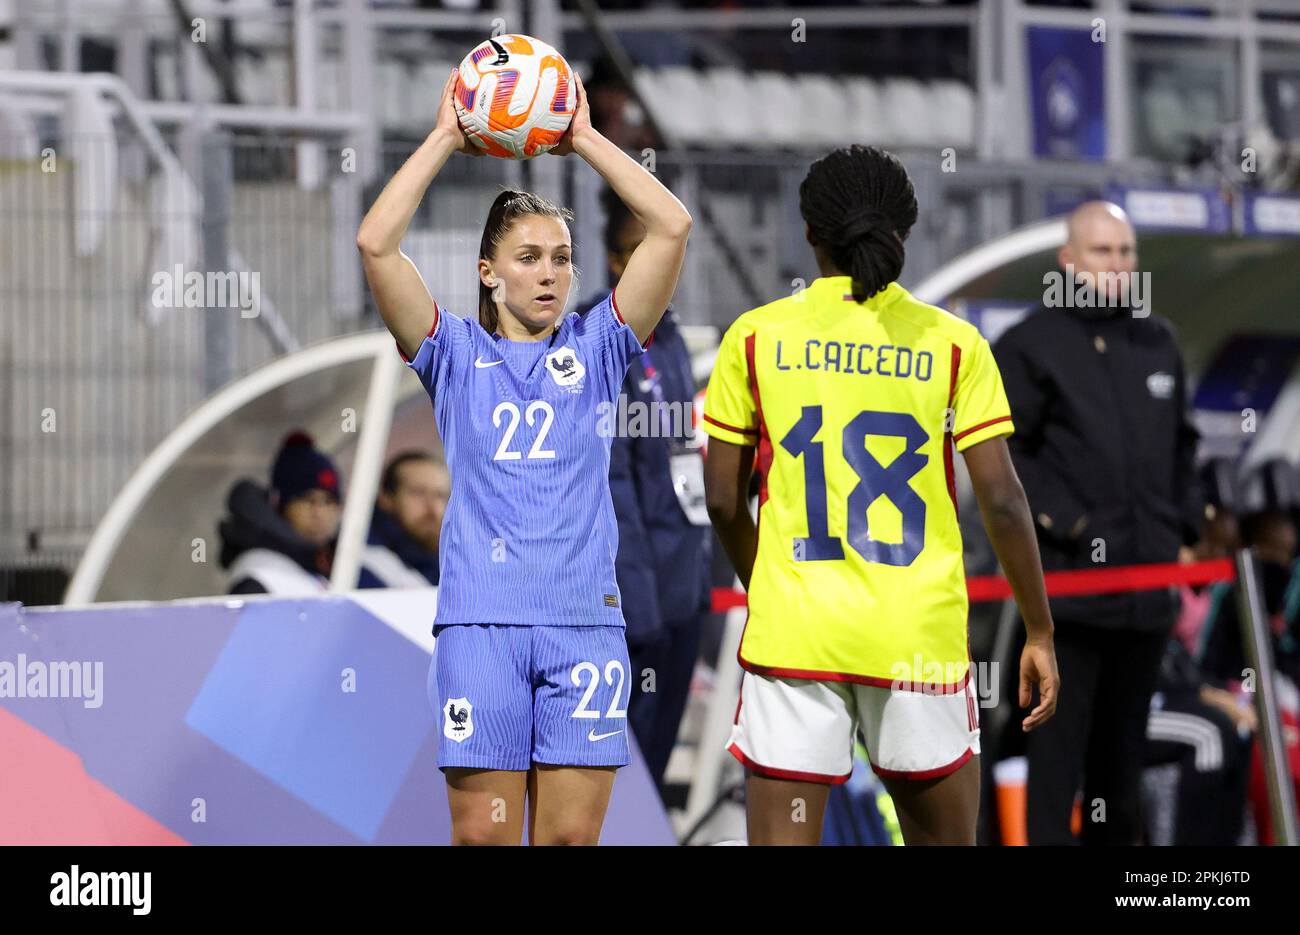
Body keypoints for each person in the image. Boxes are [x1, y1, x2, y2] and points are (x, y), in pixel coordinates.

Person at [356, 66, 692, 845]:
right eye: (528, 257)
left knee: (570, 842)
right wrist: (446, 133)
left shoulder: (601, 344)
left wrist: (581, 138)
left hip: (584, 626)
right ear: (488, 272)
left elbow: (670, 227)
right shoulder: (450, 352)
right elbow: (376, 243)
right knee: (484, 840)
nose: (548, 273)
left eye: (560, 257)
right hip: (482, 627)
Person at [701, 144, 1059, 846]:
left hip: (796, 631)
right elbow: (1005, 502)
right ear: (907, 229)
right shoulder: (953, 343)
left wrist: (771, 584)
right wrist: (1039, 628)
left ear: (809, 233)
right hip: (915, 636)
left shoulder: (754, 336)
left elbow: (721, 500)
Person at [993, 200, 1203, 845]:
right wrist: (1075, 525)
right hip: (1067, 606)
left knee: (1121, 774)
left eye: (1126, 252)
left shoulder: (1158, 341)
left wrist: (1184, 524)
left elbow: (1182, 447)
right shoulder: (1031, 345)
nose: (1118, 264)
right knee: (1055, 772)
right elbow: (1007, 455)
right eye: (1102, 251)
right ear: (1068, 260)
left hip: (1147, 603)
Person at [579, 186, 712, 793]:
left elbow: (680, 459)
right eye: (645, 251)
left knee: (656, 772)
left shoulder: (674, 337)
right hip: (637, 604)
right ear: (615, 262)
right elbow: (607, 483)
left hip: (684, 585)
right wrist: (638, 604)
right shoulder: (593, 339)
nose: (663, 267)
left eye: (672, 252)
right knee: (618, 776)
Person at [218, 431, 340, 595]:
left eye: (329, 501)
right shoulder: (259, 579)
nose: (319, 513)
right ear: (280, 504)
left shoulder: (325, 566)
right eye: (307, 500)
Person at [358, 450, 448, 589]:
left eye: (440, 496)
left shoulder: (449, 562)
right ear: (386, 498)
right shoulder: (358, 561)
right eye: (418, 493)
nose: (433, 509)